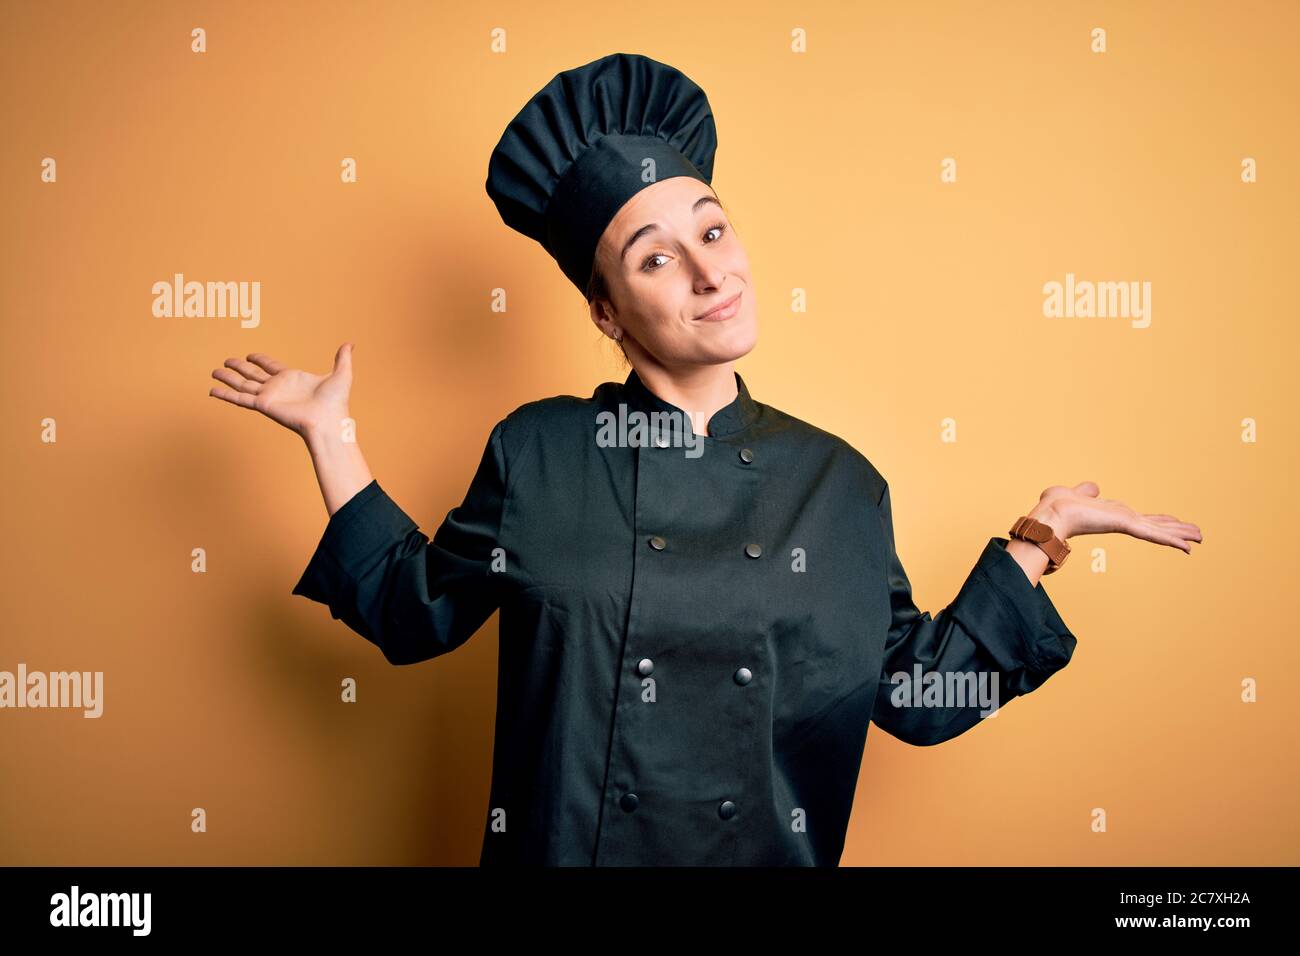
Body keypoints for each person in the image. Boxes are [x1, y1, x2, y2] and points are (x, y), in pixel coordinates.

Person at [207, 53, 1202, 866]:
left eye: (713, 229)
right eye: (654, 256)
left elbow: (914, 691)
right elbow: (410, 611)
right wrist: (329, 432)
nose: (709, 270)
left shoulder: (838, 484)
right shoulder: (538, 451)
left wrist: (1039, 537)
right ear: (606, 312)